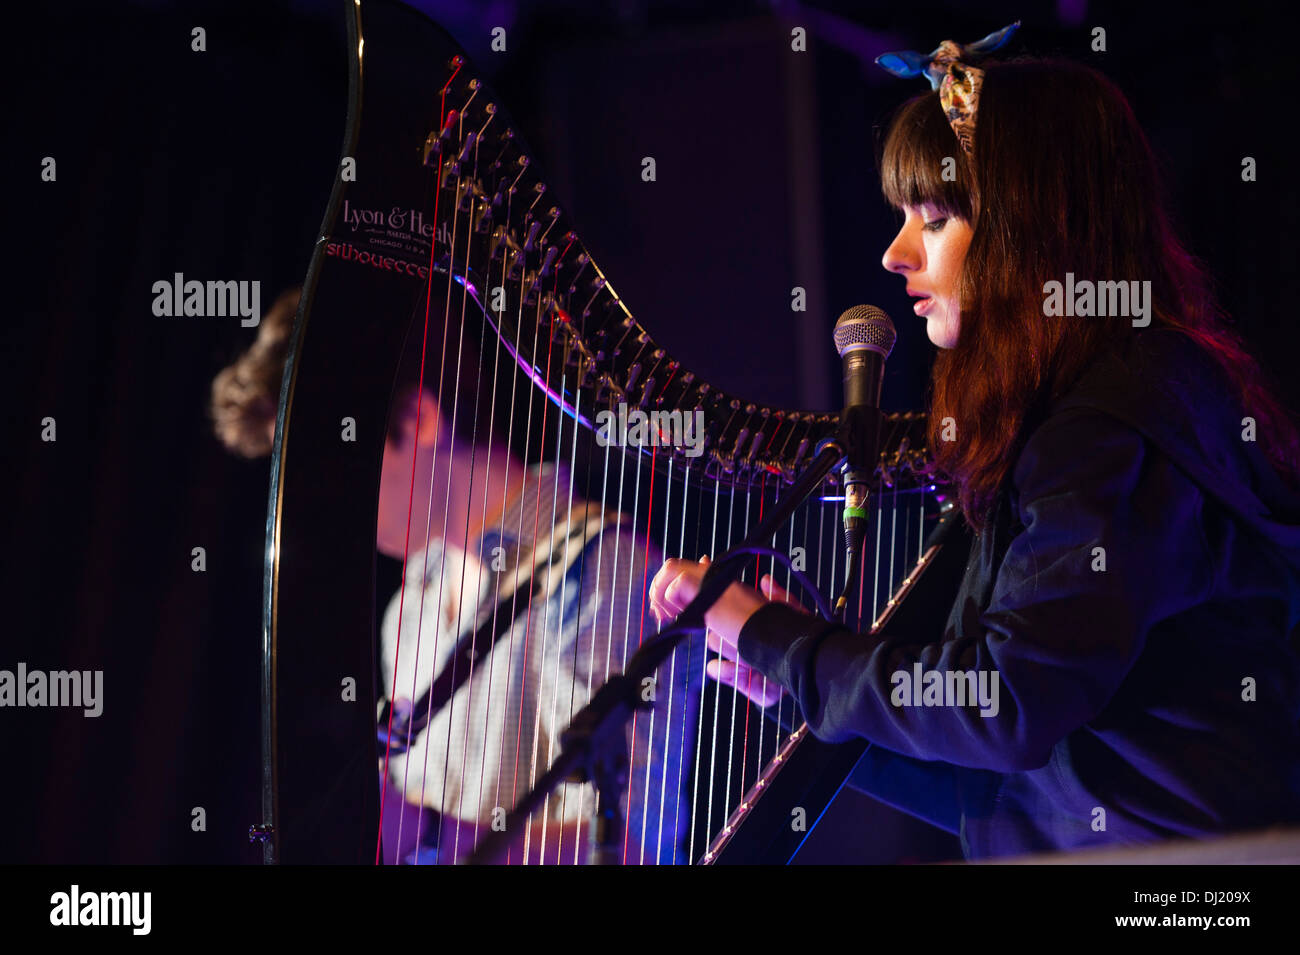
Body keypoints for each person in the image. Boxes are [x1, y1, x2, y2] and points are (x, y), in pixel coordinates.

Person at [650, 32, 1300, 861]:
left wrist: (785, 642)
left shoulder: (1113, 421)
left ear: (1031, 225)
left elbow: (1004, 706)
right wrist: (790, 683)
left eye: (935, 217)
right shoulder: (1080, 409)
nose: (895, 254)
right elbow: (1001, 789)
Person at [212, 285, 701, 865]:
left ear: (417, 420)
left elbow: (629, 848)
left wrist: (424, 837)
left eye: (326, 465)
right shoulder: (410, 608)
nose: (314, 508)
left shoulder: (605, 567)